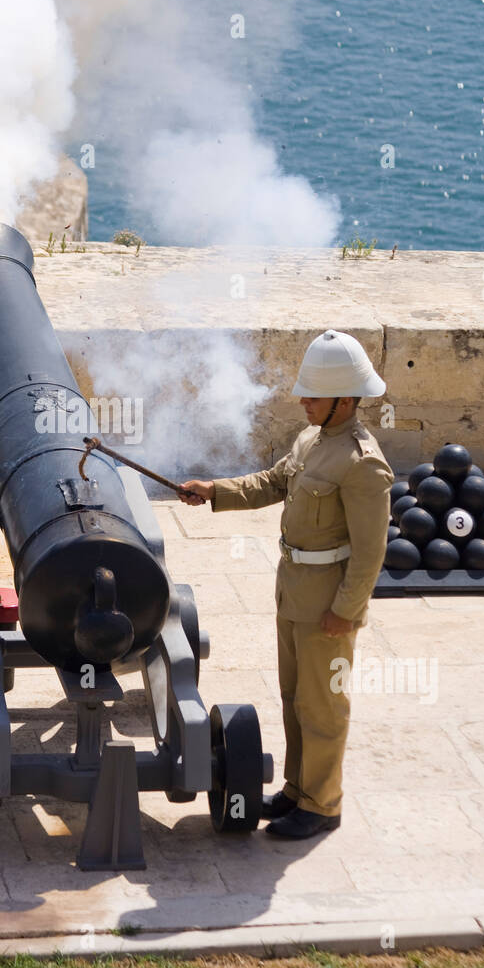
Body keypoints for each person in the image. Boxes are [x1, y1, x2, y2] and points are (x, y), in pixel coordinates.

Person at [181, 330, 392, 840]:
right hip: (294, 588)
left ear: (345, 401)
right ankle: (299, 790)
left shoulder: (363, 464)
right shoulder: (310, 441)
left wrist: (347, 610)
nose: (302, 402)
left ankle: (323, 805)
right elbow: (273, 483)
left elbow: (370, 551)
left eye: (312, 396)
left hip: (328, 602)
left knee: (323, 706)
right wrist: (215, 491)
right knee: (295, 698)